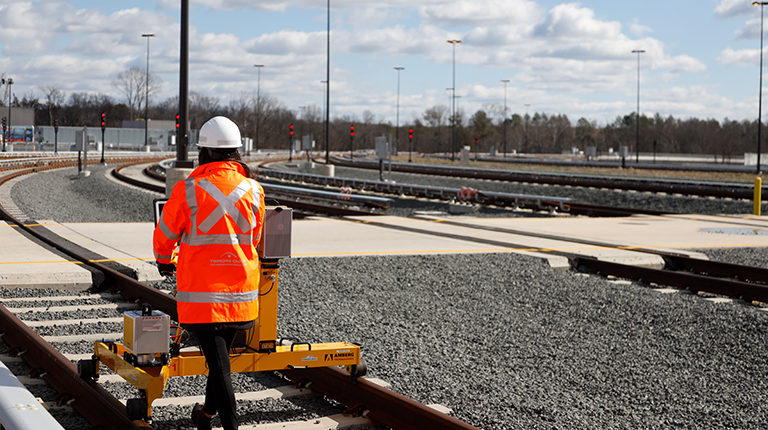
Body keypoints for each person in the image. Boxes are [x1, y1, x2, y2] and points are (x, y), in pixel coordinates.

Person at [153, 116, 265, 430]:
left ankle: (231, 426)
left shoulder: (188, 189)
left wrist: (164, 260)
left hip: (202, 296)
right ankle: (204, 416)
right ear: (237, 152)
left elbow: (165, 235)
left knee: (220, 367)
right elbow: (254, 239)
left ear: (203, 152)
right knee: (219, 362)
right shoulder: (255, 190)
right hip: (241, 294)